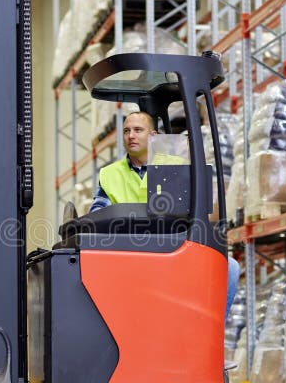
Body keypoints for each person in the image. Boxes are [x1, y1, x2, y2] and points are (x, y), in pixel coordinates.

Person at [89, 111, 240, 316]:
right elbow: (98, 214)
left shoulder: (175, 165)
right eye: (126, 131)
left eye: (137, 130)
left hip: (169, 246)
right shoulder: (110, 173)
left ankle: (210, 331)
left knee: (229, 268)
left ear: (153, 136)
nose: (130, 136)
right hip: (126, 251)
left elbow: (193, 213)